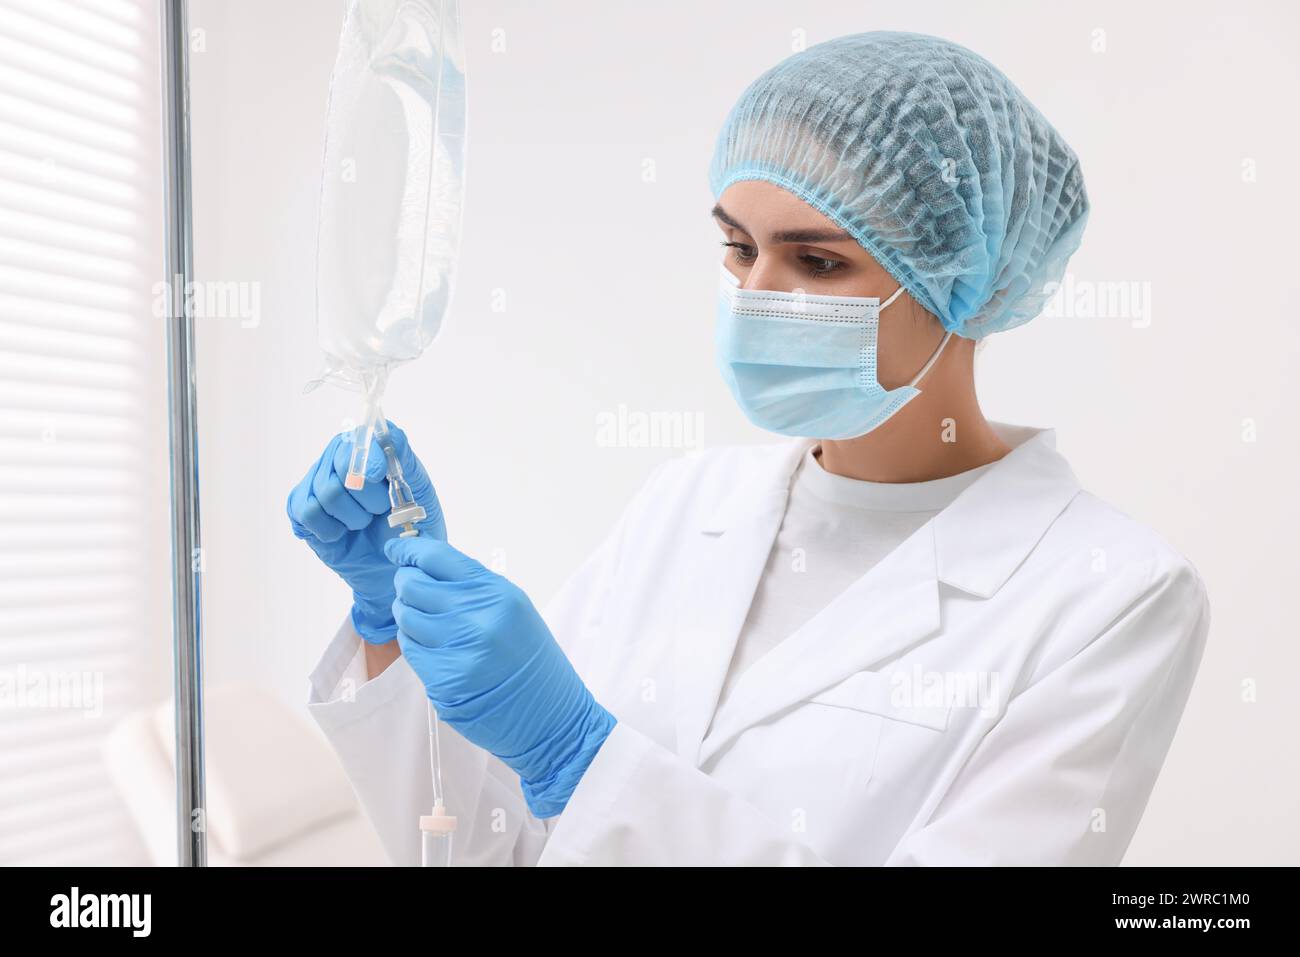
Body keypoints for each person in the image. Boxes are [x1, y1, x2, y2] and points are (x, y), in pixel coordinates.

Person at [288, 31, 1209, 865]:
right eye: (737, 248)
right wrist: (391, 633)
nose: (757, 293)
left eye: (816, 261)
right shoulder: (687, 504)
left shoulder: (1111, 594)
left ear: (960, 280)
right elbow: (492, 850)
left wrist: (578, 754)